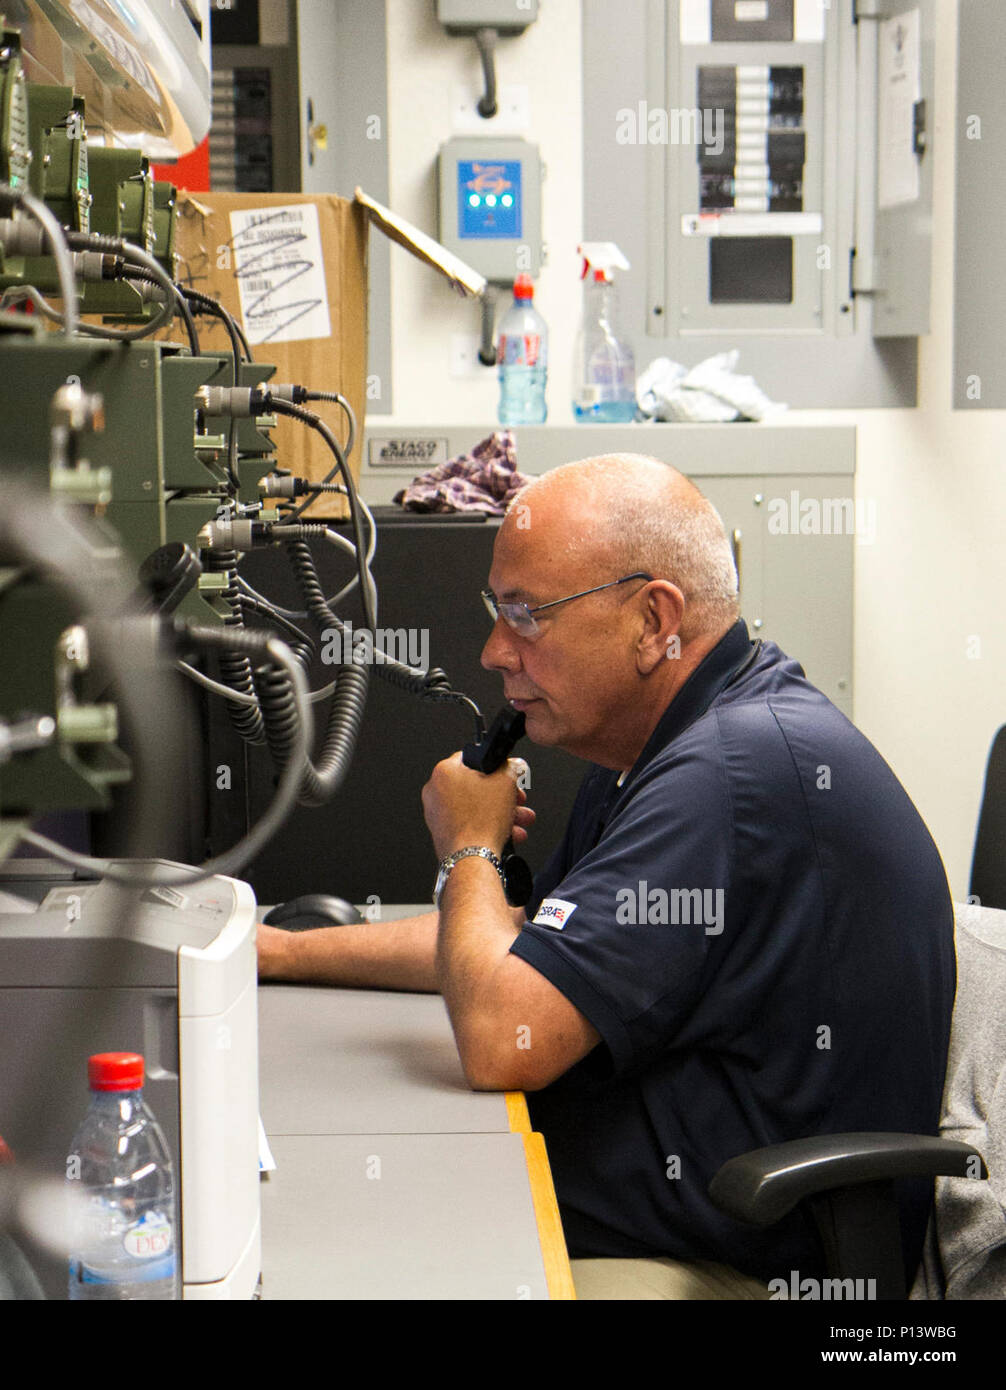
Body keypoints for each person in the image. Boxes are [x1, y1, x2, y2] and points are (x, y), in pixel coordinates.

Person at [257, 453, 955, 1300]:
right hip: (638, 1206)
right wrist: (278, 954)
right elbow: (523, 954)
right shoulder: (656, 751)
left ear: (653, 620)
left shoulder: (728, 776)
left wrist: (469, 849)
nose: (493, 651)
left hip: (742, 1265)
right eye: (494, 610)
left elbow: (504, 1036)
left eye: (526, 615)